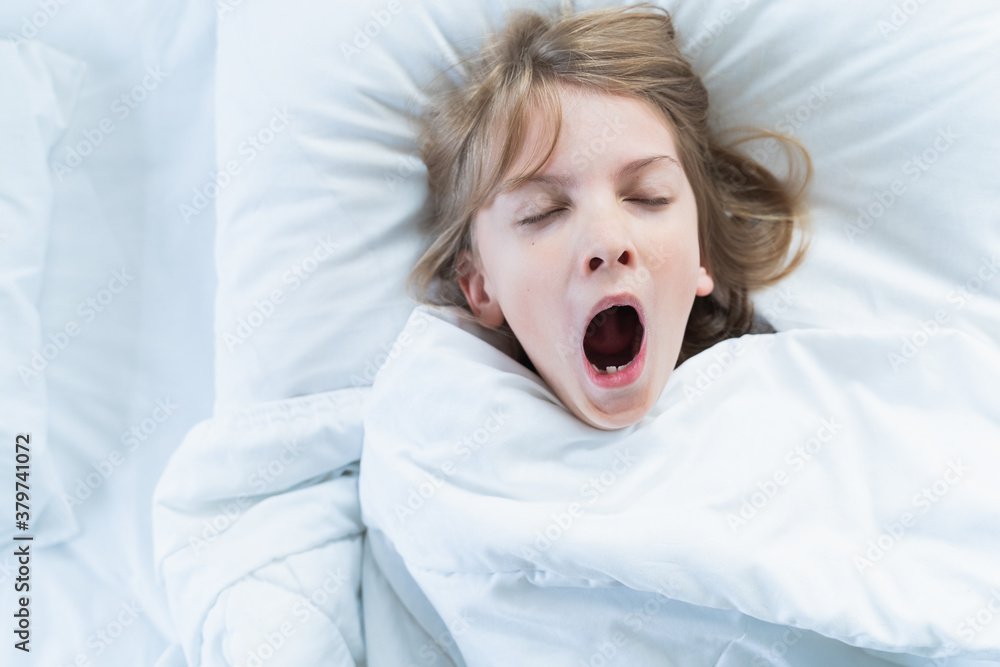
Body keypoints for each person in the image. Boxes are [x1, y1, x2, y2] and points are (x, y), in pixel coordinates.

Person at [406, 2, 810, 431]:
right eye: (543, 213)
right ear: (480, 285)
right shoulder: (432, 431)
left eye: (648, 197)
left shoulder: (798, 407)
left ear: (702, 251)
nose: (608, 242)